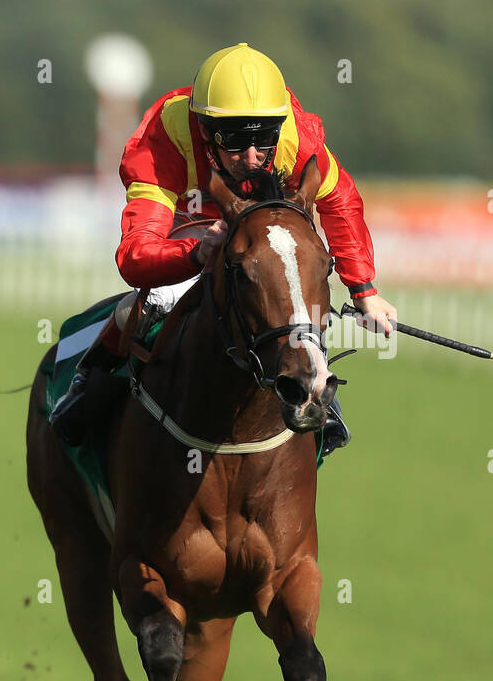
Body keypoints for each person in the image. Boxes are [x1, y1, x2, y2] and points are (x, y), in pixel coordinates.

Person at [50, 43, 397, 454]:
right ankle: (87, 383)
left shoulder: (296, 139)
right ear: (203, 130)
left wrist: (364, 290)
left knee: (293, 292)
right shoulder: (162, 144)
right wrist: (196, 254)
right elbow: (135, 255)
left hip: (264, 220)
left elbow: (341, 200)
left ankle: (320, 394)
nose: (251, 158)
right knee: (150, 302)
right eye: (233, 142)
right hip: (191, 219)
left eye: (262, 141)